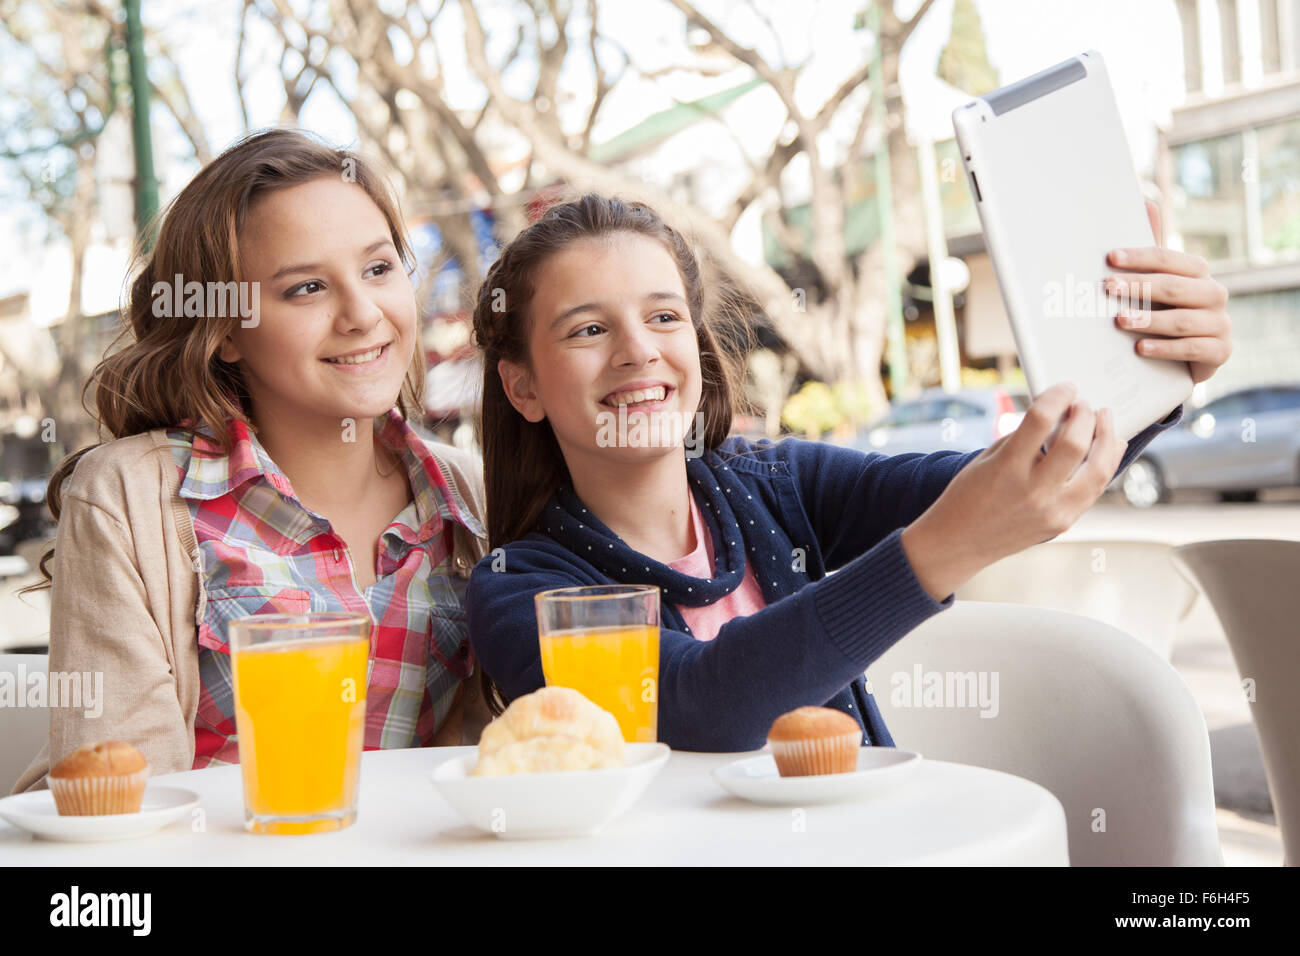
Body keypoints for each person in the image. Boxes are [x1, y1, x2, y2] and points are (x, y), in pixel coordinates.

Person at [465, 193, 1232, 752]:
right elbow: (703, 702)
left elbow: (1019, 475)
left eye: (664, 317)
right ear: (522, 385)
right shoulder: (519, 589)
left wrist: (1144, 367)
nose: (638, 351)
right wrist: (938, 553)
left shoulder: (775, 484)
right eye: (590, 329)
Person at [13, 129, 491, 792]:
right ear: (226, 332)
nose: (362, 313)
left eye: (379, 269)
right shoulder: (131, 497)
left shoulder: (466, 493)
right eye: (305, 289)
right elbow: (122, 791)